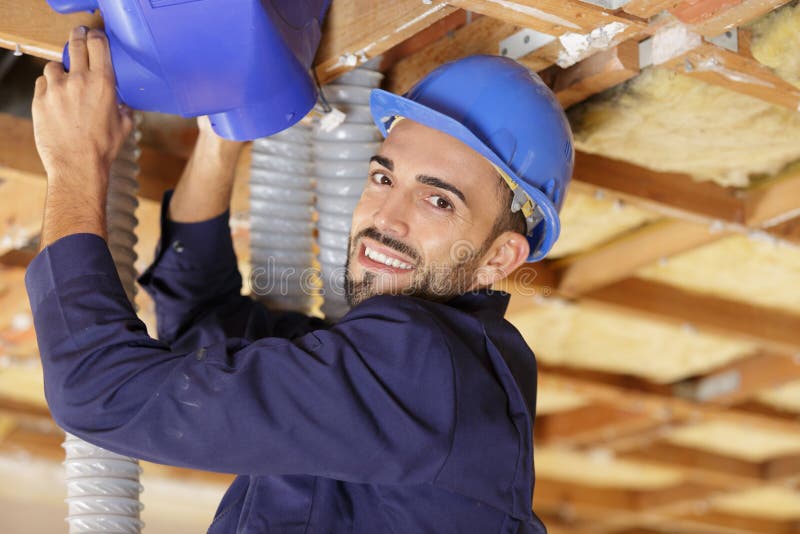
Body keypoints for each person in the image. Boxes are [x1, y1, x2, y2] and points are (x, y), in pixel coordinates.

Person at [26, 26, 573, 533]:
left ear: (499, 257)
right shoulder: (419, 371)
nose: (386, 218)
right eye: (384, 177)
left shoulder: (422, 371)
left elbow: (98, 391)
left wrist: (77, 164)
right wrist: (225, 128)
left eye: (437, 200)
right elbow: (202, 325)